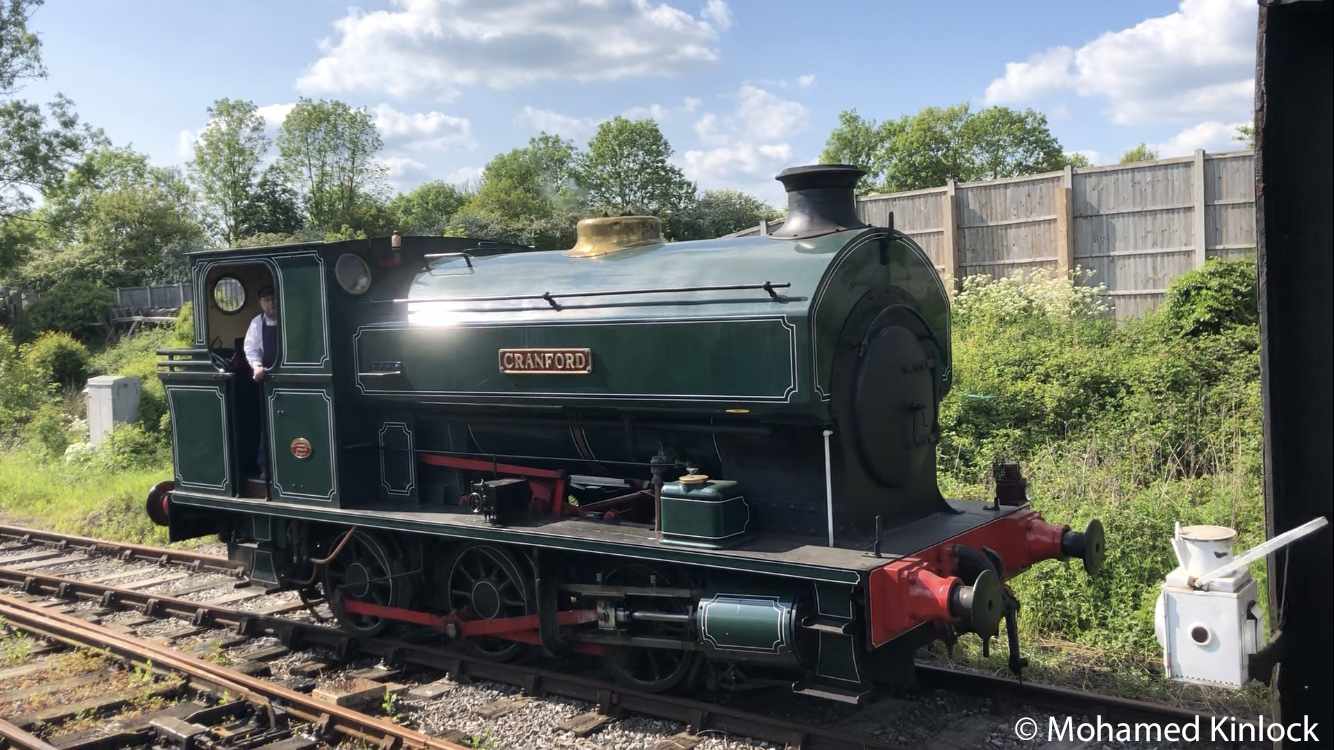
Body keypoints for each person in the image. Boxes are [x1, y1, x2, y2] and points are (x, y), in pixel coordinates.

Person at [243, 285, 278, 480]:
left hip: (291, 378)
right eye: (266, 300)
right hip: (268, 381)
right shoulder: (257, 323)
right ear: (261, 304)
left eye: (273, 298)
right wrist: (257, 366)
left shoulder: (289, 319)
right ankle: (266, 468)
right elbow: (251, 349)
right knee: (268, 425)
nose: (271, 303)